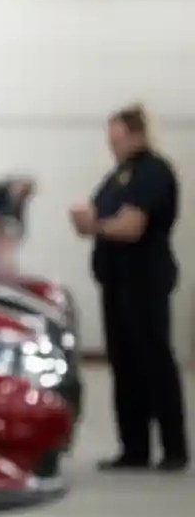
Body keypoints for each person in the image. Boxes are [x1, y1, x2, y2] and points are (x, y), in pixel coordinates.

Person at [70, 104, 188, 472]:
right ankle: (134, 447)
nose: (113, 146)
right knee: (124, 363)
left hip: (144, 281)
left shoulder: (153, 172)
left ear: (136, 135)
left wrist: (97, 225)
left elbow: (131, 227)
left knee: (153, 361)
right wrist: (91, 222)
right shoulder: (118, 175)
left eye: (118, 139)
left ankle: (173, 448)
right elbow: (97, 216)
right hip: (116, 282)